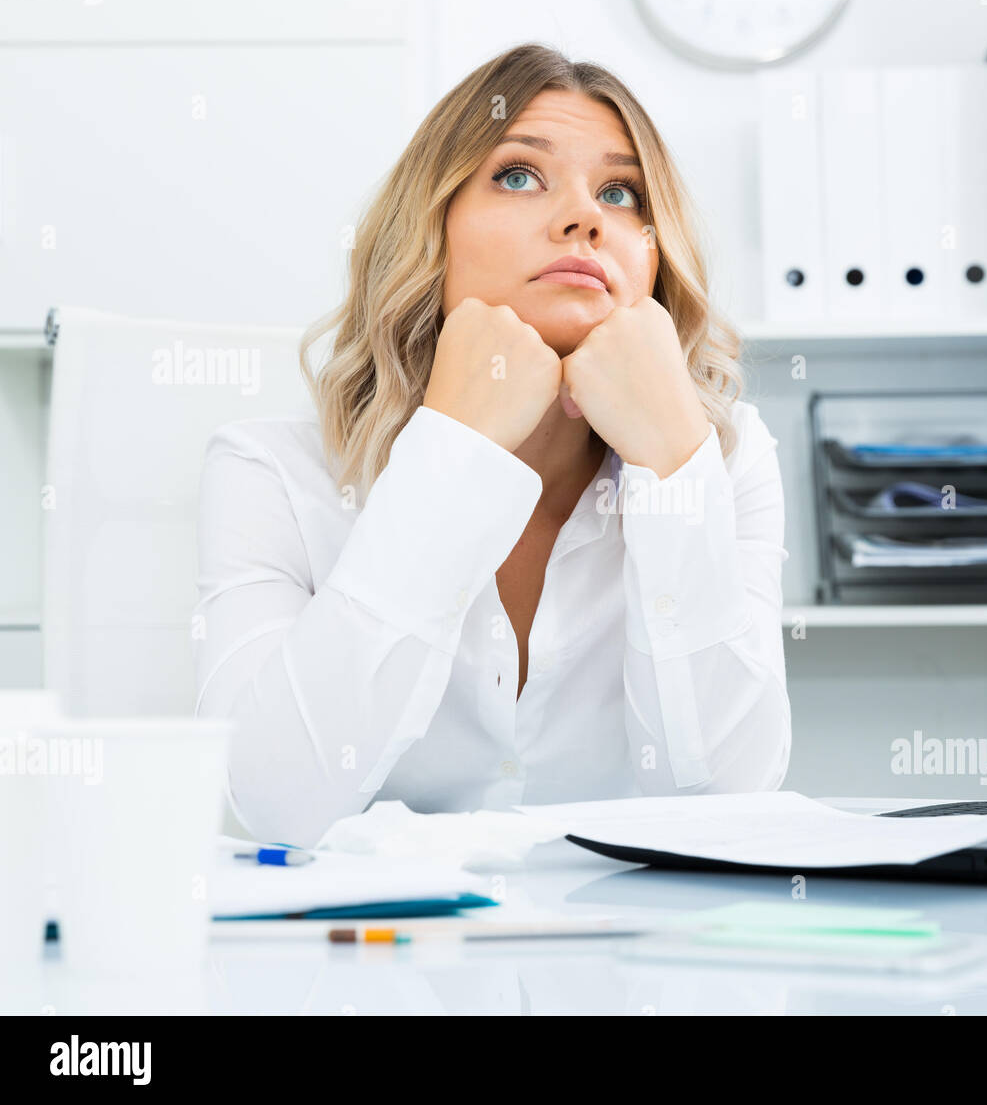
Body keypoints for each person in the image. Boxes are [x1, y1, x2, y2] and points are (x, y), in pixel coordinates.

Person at [193, 43, 791, 849]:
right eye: (518, 174)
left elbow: (734, 797)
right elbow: (275, 804)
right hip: (369, 961)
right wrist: (454, 450)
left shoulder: (725, 454)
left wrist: (674, 462)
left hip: (629, 960)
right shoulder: (271, 473)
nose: (585, 217)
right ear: (429, 234)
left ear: (652, 260)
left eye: (619, 192)